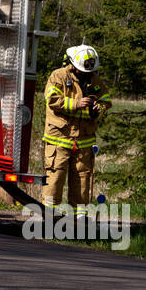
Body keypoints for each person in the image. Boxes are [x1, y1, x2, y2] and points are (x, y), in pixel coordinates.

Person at [42, 44, 112, 213]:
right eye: (84, 70)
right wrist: (76, 103)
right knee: (55, 180)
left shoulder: (95, 81)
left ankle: (78, 222)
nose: (87, 74)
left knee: (82, 181)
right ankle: (49, 220)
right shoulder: (58, 76)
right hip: (59, 138)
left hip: (84, 140)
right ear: (73, 64)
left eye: (90, 71)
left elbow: (106, 101)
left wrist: (99, 109)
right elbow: (52, 99)